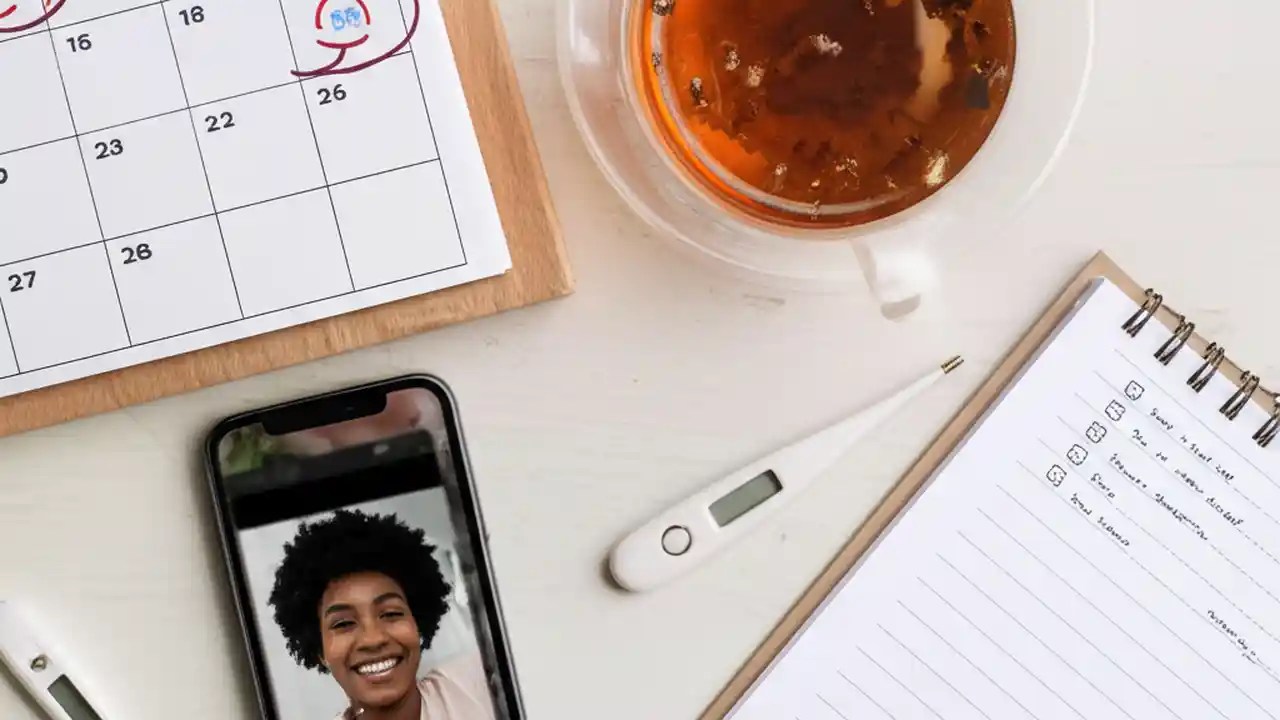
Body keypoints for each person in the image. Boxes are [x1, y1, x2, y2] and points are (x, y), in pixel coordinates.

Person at [269, 510, 496, 720]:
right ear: (320, 650)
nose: (373, 639)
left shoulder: (483, 684)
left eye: (390, 614)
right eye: (344, 623)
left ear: (417, 623)